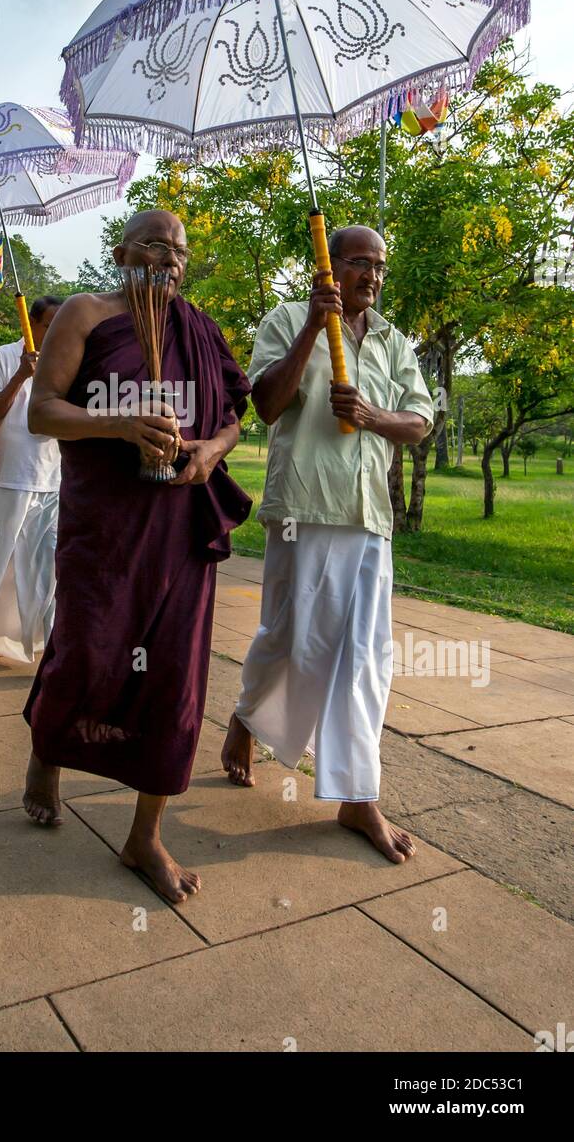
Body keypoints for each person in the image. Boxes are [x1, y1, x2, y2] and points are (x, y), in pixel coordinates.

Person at [23, 209, 251, 904]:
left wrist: (210, 452)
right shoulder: (87, 315)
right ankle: (47, 755)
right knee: (87, 652)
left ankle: (144, 834)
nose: (167, 261)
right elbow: (42, 411)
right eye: (153, 247)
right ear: (121, 252)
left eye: (179, 251)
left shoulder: (201, 329)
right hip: (107, 528)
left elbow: (236, 415)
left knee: (173, 679)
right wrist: (120, 425)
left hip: (180, 526)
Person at [220, 224, 435, 864]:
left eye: (379, 266)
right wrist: (315, 327)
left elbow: (419, 421)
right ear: (330, 264)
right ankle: (247, 717)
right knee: (290, 637)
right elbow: (264, 404)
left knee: (366, 657)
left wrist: (372, 417)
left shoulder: (394, 341)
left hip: (369, 515)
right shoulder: (288, 319)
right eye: (359, 263)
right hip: (303, 510)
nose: (371, 275)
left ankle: (355, 795)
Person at [0, 296, 63, 664]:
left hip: (54, 474)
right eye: (49, 324)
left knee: (48, 566)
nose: (55, 331)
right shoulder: (7, 355)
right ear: (30, 323)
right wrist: (22, 374)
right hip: (11, 471)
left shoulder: (70, 356)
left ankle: (49, 643)